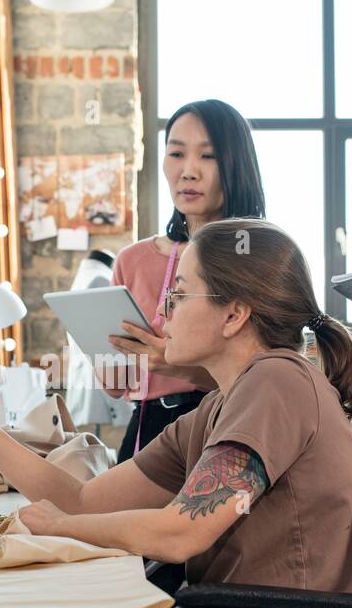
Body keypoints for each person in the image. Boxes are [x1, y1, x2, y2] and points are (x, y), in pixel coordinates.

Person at [0, 218, 352, 608]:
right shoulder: (220, 404)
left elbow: (181, 533)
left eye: (178, 296)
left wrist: (60, 527)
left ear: (234, 314)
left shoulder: (276, 382)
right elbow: (81, 500)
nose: (163, 315)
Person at [102, 99, 267, 463]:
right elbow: (117, 386)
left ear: (236, 164)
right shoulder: (132, 261)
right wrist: (109, 363)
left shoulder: (259, 257)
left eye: (208, 157)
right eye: (176, 154)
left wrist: (175, 366)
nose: (189, 171)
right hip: (146, 424)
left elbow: (269, 385)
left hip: (227, 424)